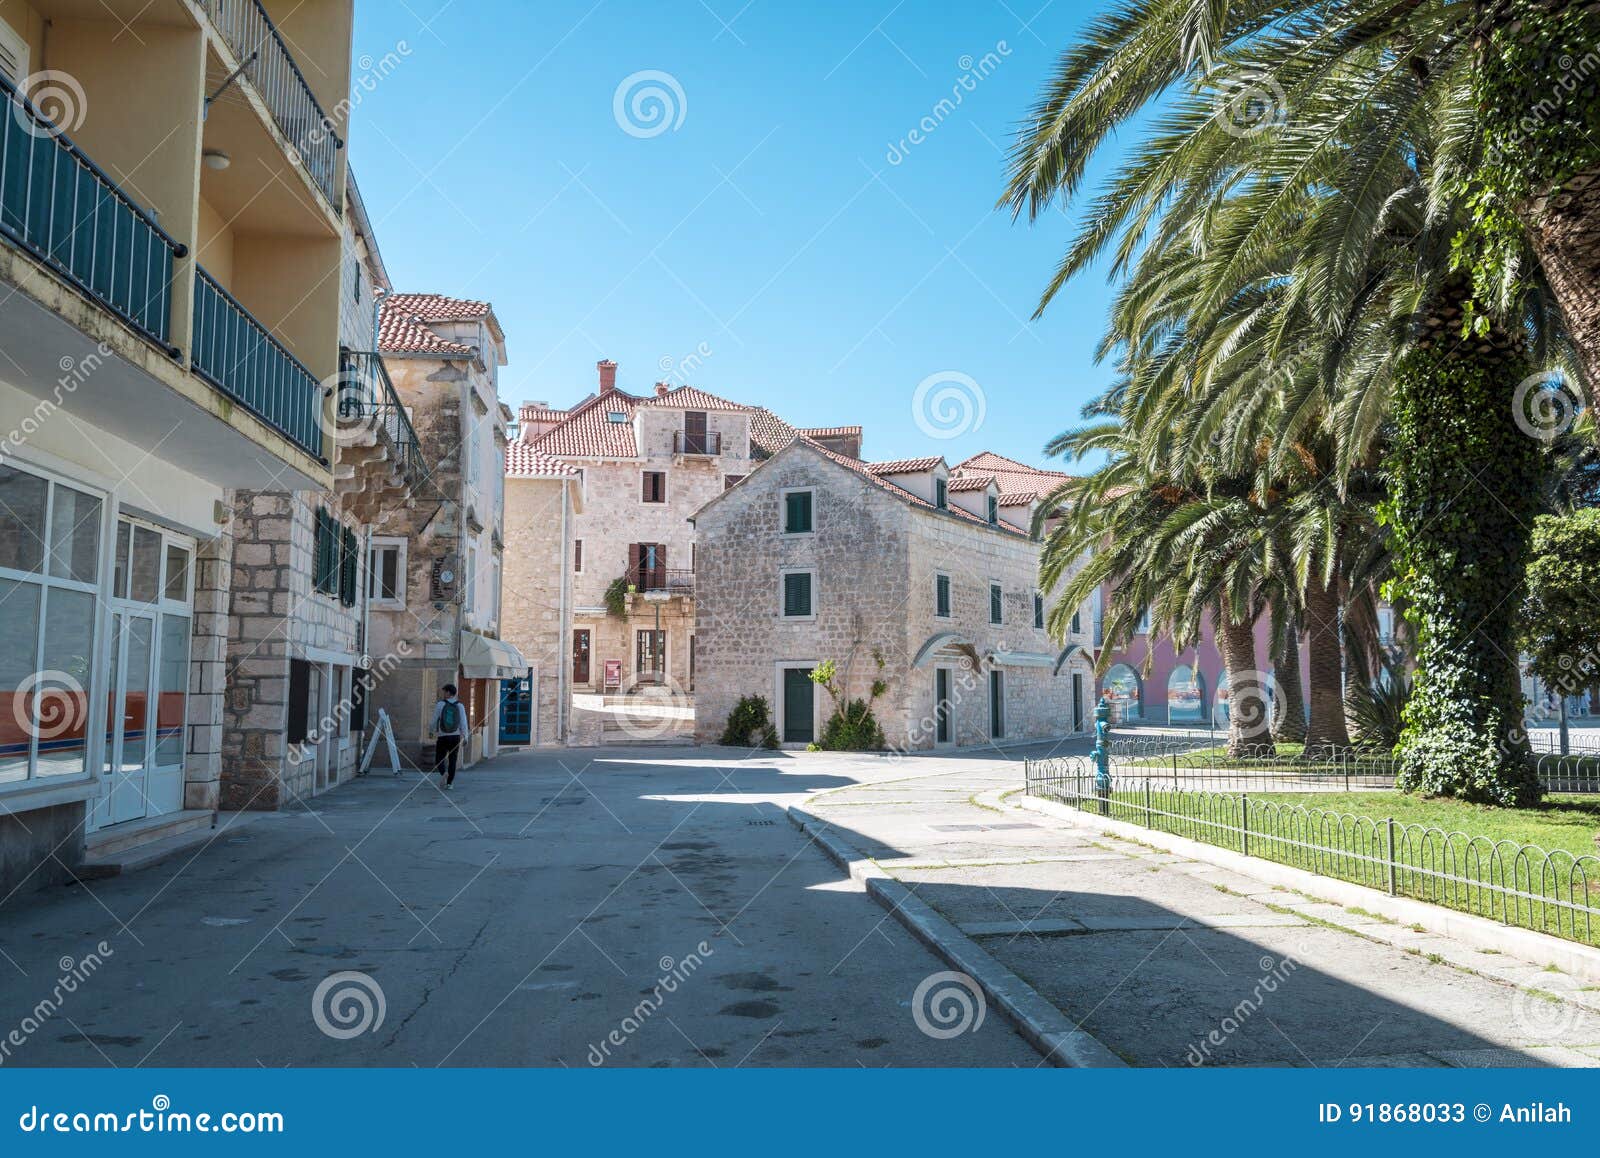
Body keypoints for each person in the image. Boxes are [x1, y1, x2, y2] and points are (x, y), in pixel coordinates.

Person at [429, 683, 465, 789]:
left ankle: (444, 773)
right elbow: (463, 722)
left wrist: (431, 731)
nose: (443, 693)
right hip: (455, 736)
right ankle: (449, 784)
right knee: (453, 760)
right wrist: (465, 736)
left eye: (444, 691)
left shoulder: (440, 704)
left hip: (443, 736)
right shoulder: (460, 706)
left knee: (439, 759)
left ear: (448, 692)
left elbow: (434, 720)